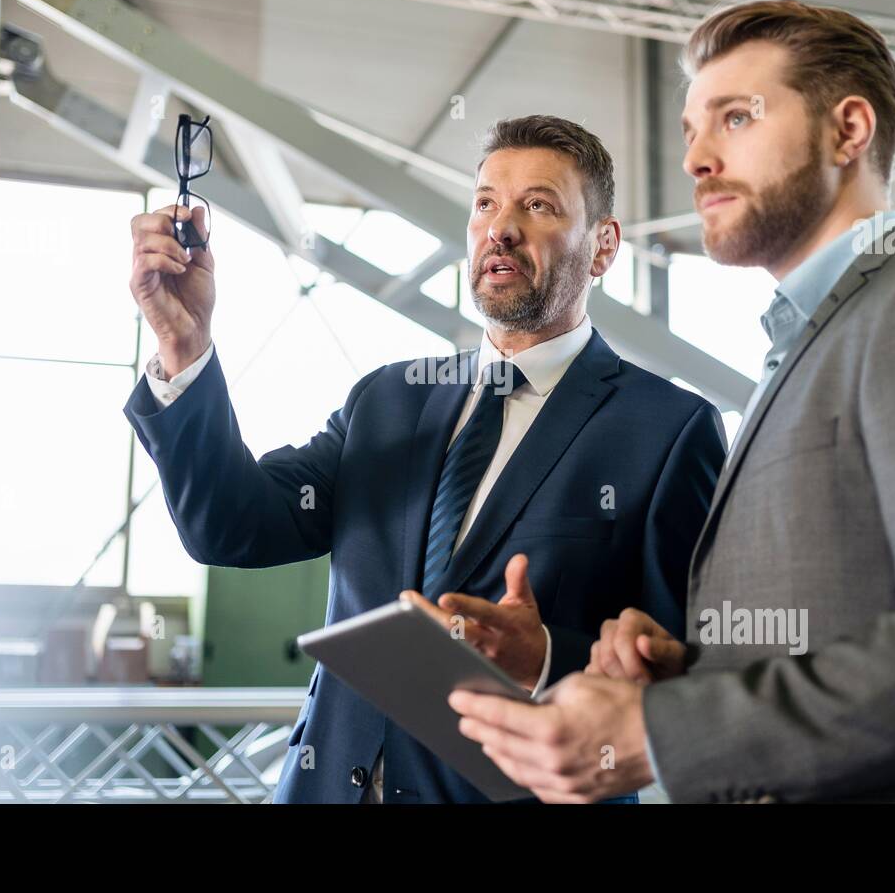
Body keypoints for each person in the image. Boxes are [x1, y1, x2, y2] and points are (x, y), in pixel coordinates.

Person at [449, 0, 895, 804]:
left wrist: (658, 735)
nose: (697, 160)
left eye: (736, 119)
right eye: (691, 130)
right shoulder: (809, 346)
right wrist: (685, 675)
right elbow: (847, 632)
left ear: (848, 131)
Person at [124, 115, 726, 802]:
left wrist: (549, 660)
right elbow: (229, 527)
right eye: (485, 203)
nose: (501, 227)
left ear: (603, 247)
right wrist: (183, 343)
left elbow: (689, 673)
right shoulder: (387, 402)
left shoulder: (668, 431)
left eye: (538, 205)